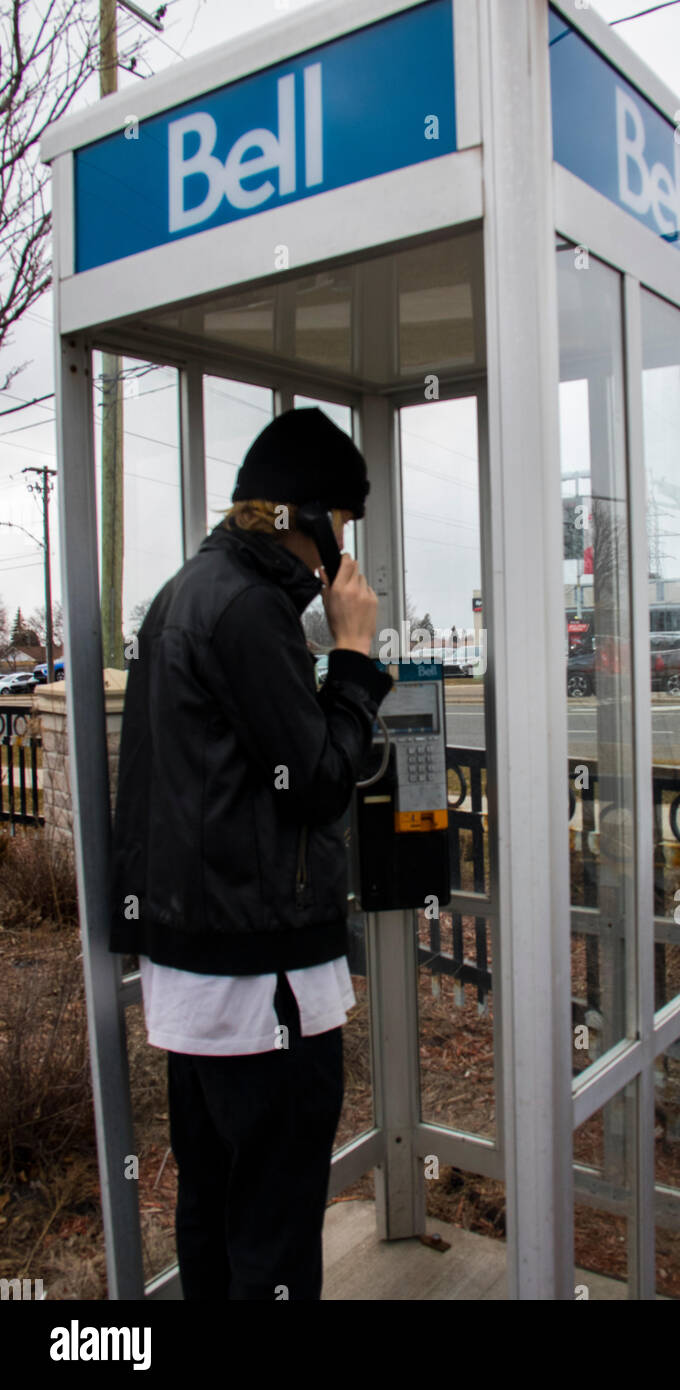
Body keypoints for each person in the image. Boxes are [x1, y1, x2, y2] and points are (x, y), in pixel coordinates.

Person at [109, 407, 393, 1301]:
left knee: (217, 1215)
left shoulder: (189, 593)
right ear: (307, 518)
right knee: (272, 1227)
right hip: (261, 981)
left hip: (199, 975)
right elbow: (312, 782)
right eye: (339, 528)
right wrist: (352, 659)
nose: (338, 555)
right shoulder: (249, 609)